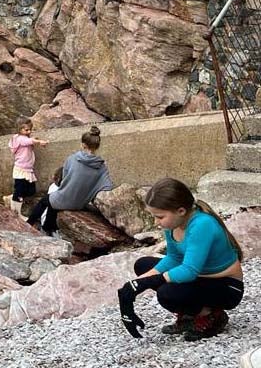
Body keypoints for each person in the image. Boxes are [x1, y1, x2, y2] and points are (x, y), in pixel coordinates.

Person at [116, 178, 244, 341]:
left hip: (226, 287)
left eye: (160, 217)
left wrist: (145, 283)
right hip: (201, 277)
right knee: (143, 265)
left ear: (181, 211)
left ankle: (212, 315)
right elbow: (174, 258)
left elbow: (189, 271)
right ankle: (189, 315)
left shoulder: (202, 224)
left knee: (167, 293)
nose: (156, 222)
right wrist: (132, 286)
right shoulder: (173, 225)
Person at [26, 125, 111, 236]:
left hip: (66, 198)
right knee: (53, 202)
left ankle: (29, 225)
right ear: (97, 146)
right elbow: (107, 186)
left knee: (46, 200)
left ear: (83, 145)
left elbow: (64, 178)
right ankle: (49, 228)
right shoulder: (101, 166)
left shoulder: (73, 158)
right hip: (81, 203)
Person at [5, 117, 48, 215]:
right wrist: (39, 141)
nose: (29, 132)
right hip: (21, 170)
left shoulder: (24, 138)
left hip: (28, 169)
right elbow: (27, 141)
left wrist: (35, 140)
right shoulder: (19, 139)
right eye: (26, 130)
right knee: (19, 192)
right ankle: (16, 211)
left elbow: (29, 141)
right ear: (19, 129)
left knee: (30, 191)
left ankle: (11, 198)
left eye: (30, 129)